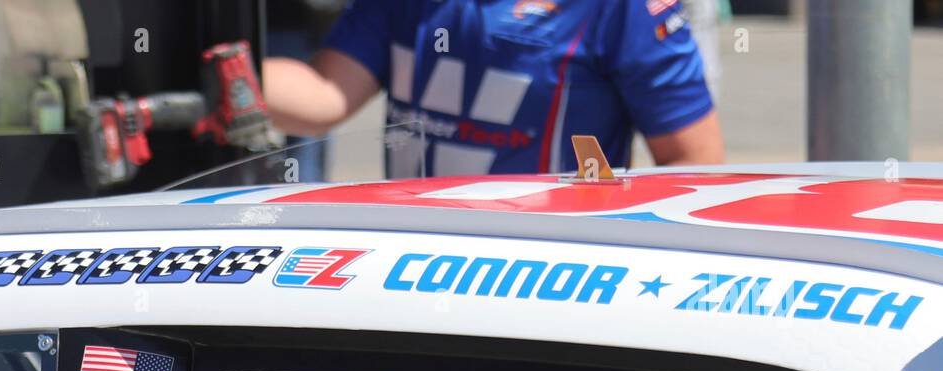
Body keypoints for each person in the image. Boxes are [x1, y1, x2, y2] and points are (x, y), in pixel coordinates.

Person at [263, 0, 725, 176]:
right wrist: (232, 78)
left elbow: (693, 161)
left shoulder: (627, 8)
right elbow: (324, 92)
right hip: (410, 273)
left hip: (550, 284)